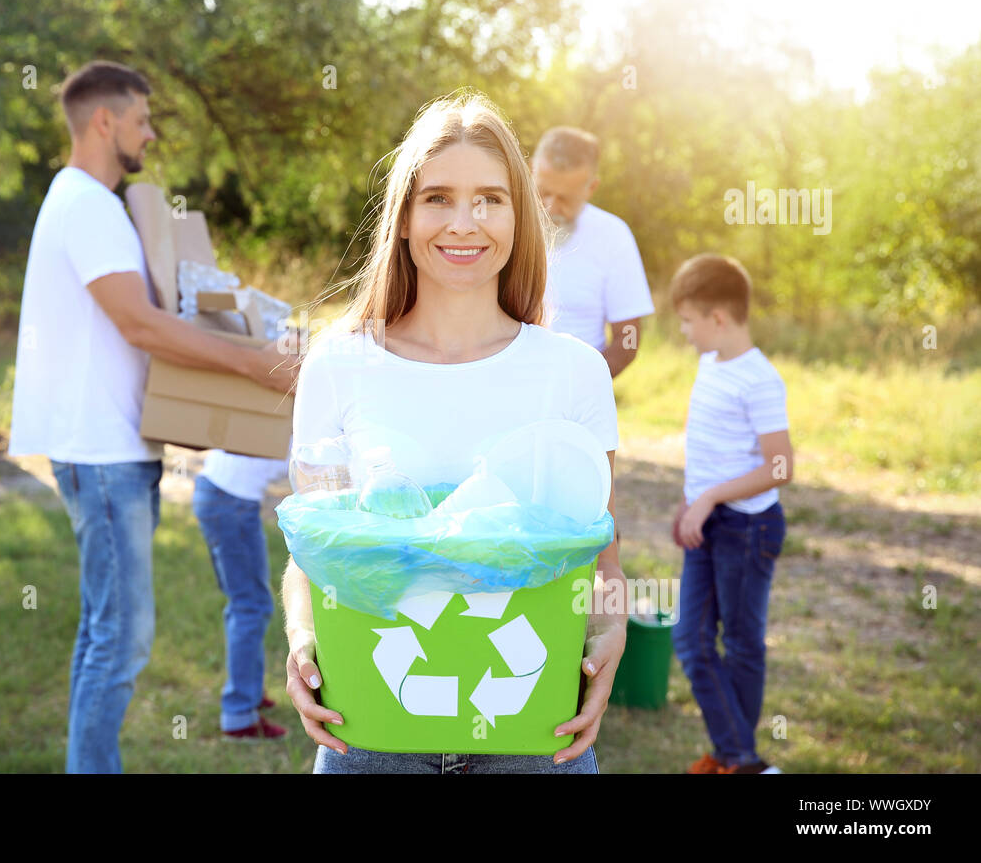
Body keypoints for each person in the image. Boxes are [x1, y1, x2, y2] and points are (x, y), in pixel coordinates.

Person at [280, 91, 628, 773]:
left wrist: (611, 627)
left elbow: (603, 556)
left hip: (530, 729)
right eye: (437, 197)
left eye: (490, 200)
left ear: (519, 217)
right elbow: (312, 552)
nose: (464, 223)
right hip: (371, 730)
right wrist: (299, 638)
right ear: (404, 218)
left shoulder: (573, 372)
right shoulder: (339, 364)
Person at [8, 60, 298, 773]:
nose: (151, 132)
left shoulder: (85, 202)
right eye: (141, 118)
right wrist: (252, 361)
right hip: (102, 454)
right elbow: (141, 325)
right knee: (125, 635)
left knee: (105, 629)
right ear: (104, 121)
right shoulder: (89, 206)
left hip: (110, 450)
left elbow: (150, 318)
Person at [668, 253, 793, 775]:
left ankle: (736, 759)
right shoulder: (709, 363)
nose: (683, 331)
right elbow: (710, 446)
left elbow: (780, 466)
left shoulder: (760, 380)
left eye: (689, 320)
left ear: (718, 318)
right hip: (709, 522)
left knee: (741, 644)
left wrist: (711, 498)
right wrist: (692, 499)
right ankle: (739, 756)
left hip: (746, 529)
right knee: (690, 639)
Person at [532, 127, 653, 379]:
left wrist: (583, 387)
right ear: (531, 170)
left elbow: (627, 341)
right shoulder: (501, 225)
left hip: (578, 399)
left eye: (566, 198)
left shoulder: (614, 236)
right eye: (543, 192)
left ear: (591, 188)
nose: (551, 207)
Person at [192, 449, 292, 740]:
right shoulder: (294, 408)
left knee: (248, 604)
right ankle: (239, 716)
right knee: (250, 606)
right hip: (230, 502)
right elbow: (306, 465)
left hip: (217, 493)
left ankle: (250, 690)